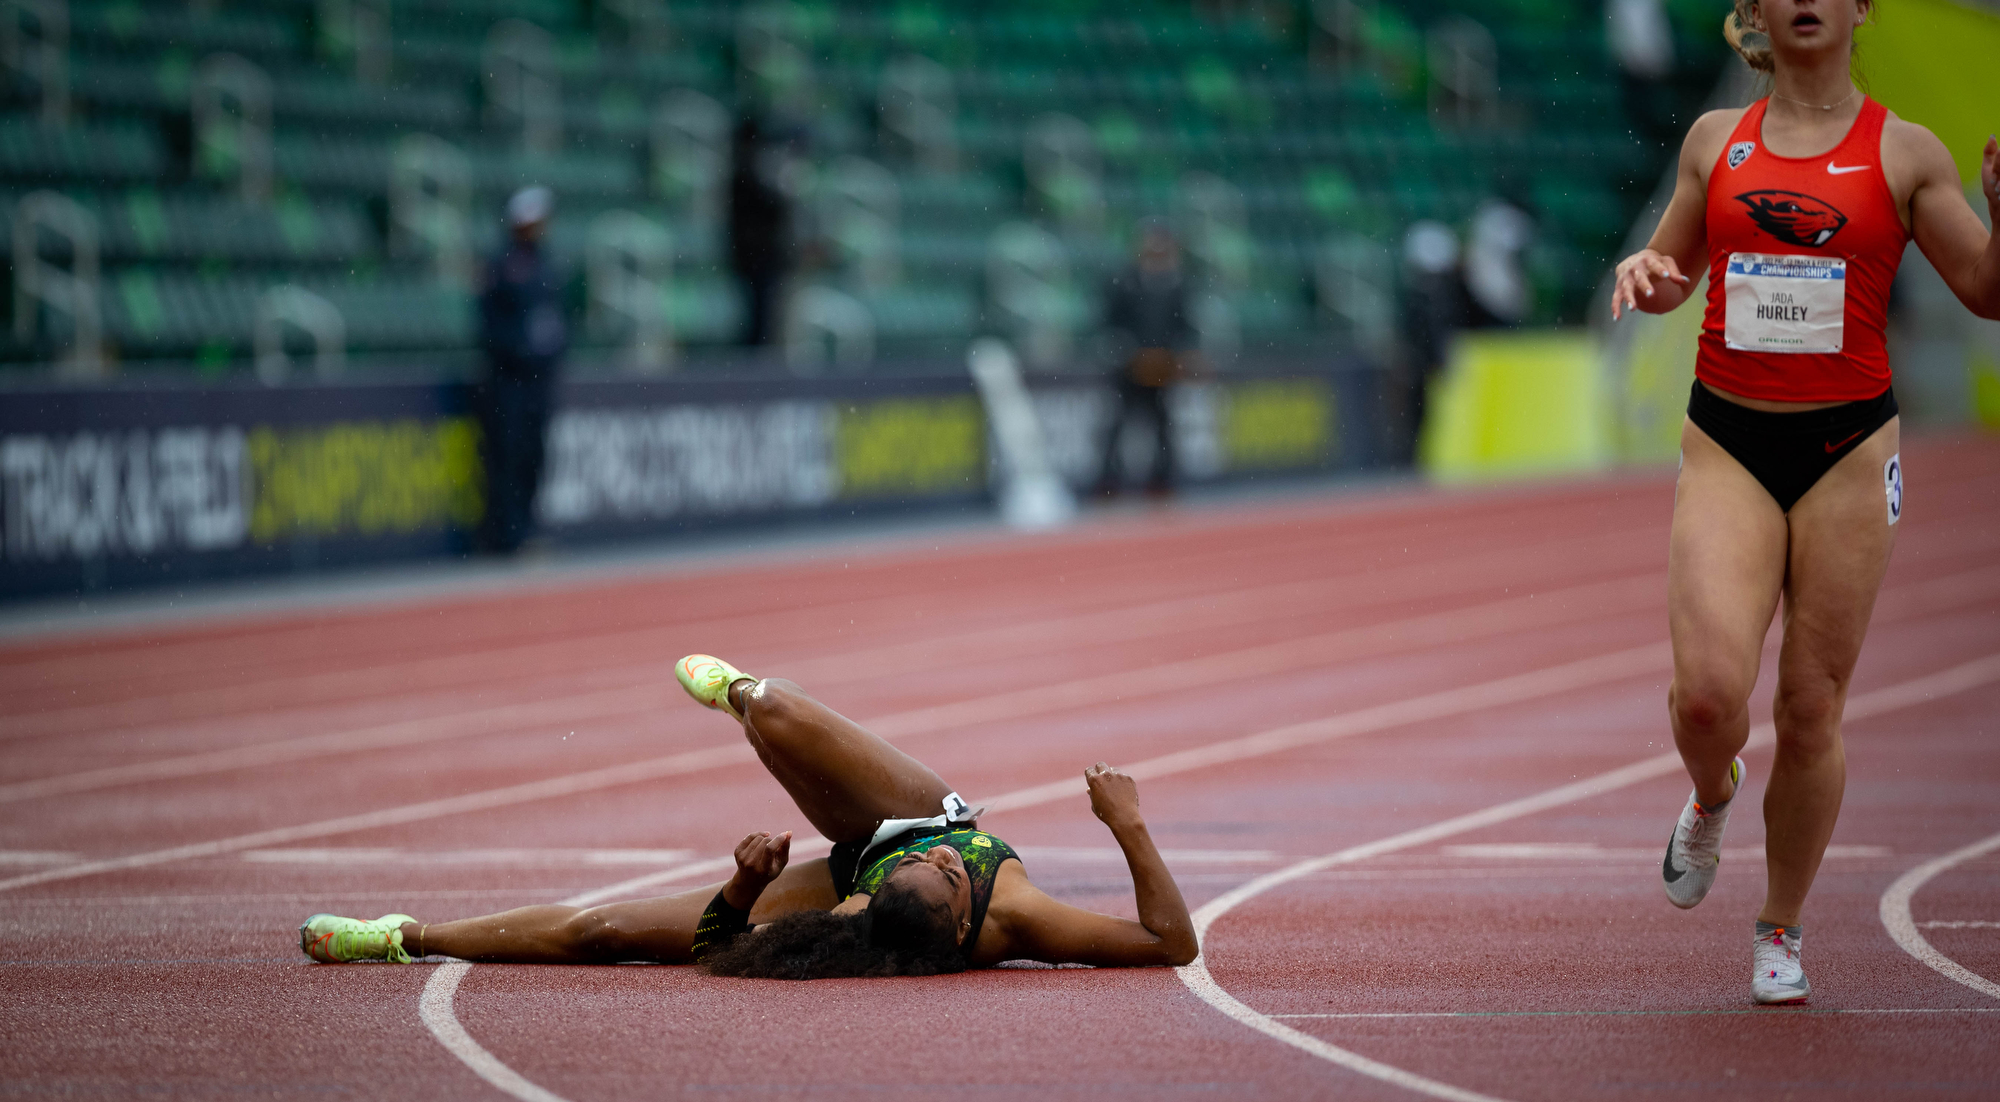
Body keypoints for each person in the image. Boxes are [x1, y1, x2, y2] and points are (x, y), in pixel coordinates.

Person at [1611, 0, 1999, 1004]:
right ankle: (1710, 793)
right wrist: (1646, 272)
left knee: (1808, 706)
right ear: (1753, 12)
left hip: (1844, 452)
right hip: (1729, 443)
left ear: (1859, 7)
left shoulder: (1906, 153)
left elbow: (1984, 288)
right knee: (1706, 696)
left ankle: (1777, 927)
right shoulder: (1714, 141)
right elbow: (1669, 276)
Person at [298, 655, 1199, 976]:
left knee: (605, 931)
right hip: (918, 808)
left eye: (945, 872)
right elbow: (1169, 946)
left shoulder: (855, 921)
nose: (957, 866)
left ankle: (403, 936)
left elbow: (712, 949)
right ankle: (742, 694)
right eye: (954, 868)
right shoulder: (1017, 911)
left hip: (845, 864)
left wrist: (744, 882)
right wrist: (1127, 824)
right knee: (775, 712)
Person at [473, 186, 567, 555]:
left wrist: (553, 349)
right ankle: (505, 536)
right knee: (506, 456)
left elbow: (561, 318)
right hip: (508, 380)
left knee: (533, 454)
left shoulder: (549, 264)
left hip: (539, 381)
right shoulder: (501, 266)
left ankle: (527, 530)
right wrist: (521, 347)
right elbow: (488, 325)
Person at [1094, 222, 1199, 498]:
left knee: (1164, 427)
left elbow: (1185, 328)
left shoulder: (1179, 285)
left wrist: (1177, 354)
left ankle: (1161, 483)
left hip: (1162, 371)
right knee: (1116, 424)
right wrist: (1131, 352)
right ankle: (1108, 482)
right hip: (1128, 371)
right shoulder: (1124, 282)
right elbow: (1110, 325)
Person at [727, 117, 794, 347]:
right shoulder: (744, 177)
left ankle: (756, 360)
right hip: (756, 258)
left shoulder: (748, 175)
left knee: (762, 317)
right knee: (758, 317)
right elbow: (771, 211)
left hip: (758, 257)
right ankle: (754, 363)